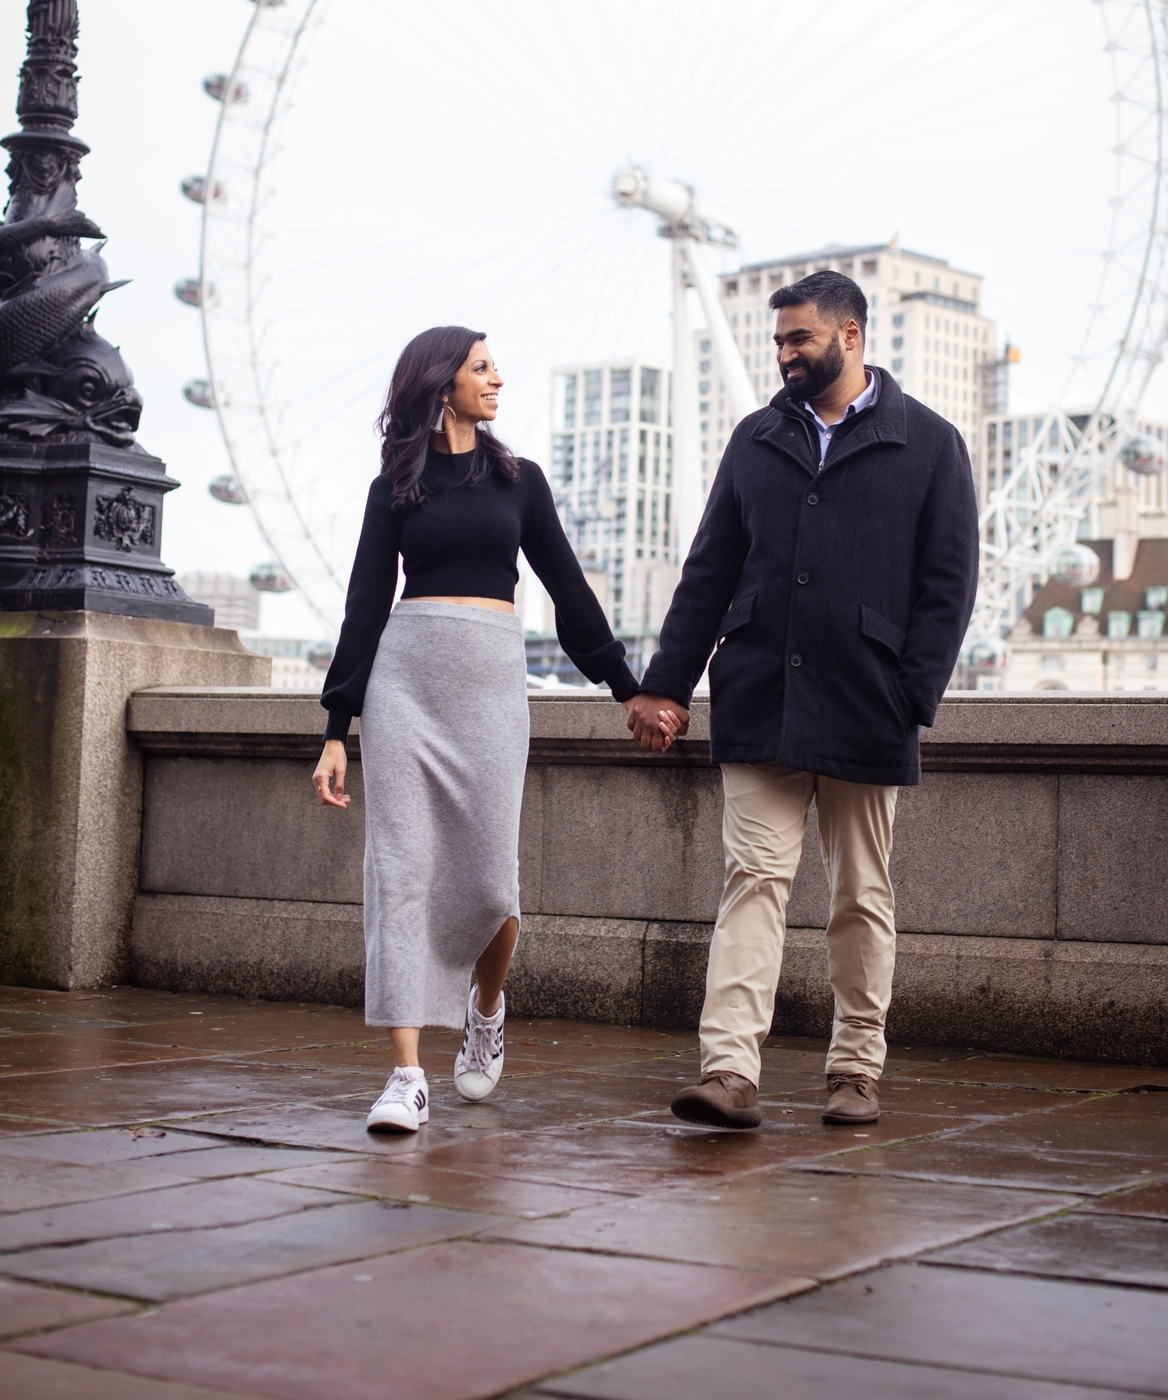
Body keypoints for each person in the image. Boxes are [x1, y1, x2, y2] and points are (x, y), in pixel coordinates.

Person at [628, 270, 978, 1130]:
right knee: (753, 881)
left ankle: (856, 1070)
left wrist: (911, 695)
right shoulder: (754, 440)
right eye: (778, 340)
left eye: (798, 340)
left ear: (849, 336)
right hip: (759, 697)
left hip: (870, 702)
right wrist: (668, 684)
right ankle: (728, 1072)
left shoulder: (931, 445)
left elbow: (950, 584)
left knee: (861, 894)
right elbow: (708, 571)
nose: (783, 353)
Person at [313, 326, 656, 1133]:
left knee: (493, 884)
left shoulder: (519, 481)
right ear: (442, 385)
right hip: (406, 683)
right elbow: (365, 607)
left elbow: (571, 597)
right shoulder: (393, 485)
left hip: (491, 686)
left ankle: (487, 1006)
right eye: (481, 367)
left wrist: (629, 692)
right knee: (398, 870)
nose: (497, 379)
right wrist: (336, 729)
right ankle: (405, 1074)